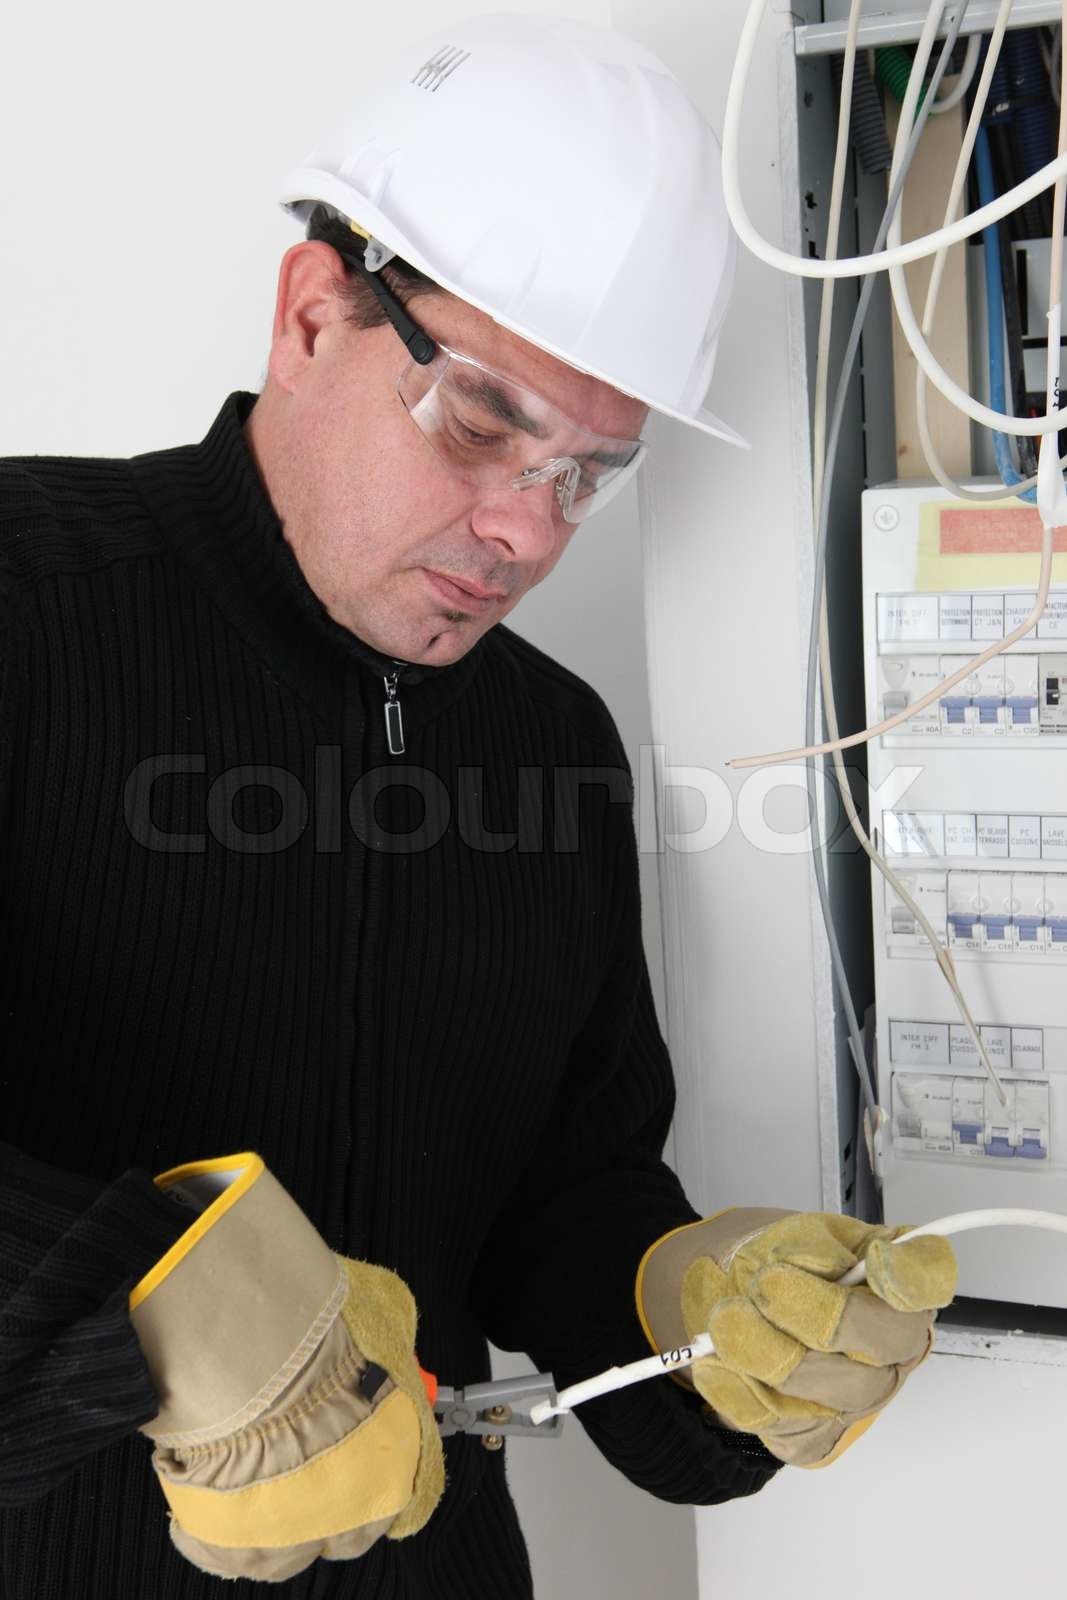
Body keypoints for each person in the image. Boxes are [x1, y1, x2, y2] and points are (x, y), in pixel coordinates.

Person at [0, 14, 956, 1598]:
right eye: (482, 420)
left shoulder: (551, 746)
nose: (527, 531)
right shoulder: (28, 599)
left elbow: (561, 1201)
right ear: (312, 315)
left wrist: (690, 1304)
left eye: (590, 471)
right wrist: (150, 1302)